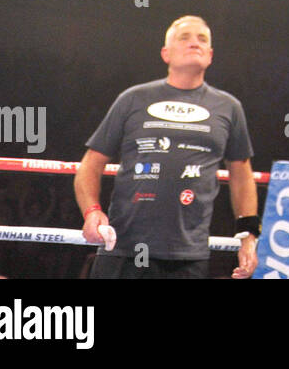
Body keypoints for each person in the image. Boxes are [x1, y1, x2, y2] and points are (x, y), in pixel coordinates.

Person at [74, 15, 259, 278]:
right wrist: (92, 211)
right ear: (166, 53)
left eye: (202, 39)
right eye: (184, 38)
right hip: (124, 246)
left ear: (210, 55)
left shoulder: (229, 108)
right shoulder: (132, 99)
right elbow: (91, 163)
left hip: (187, 255)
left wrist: (248, 235)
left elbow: (241, 174)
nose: (194, 43)